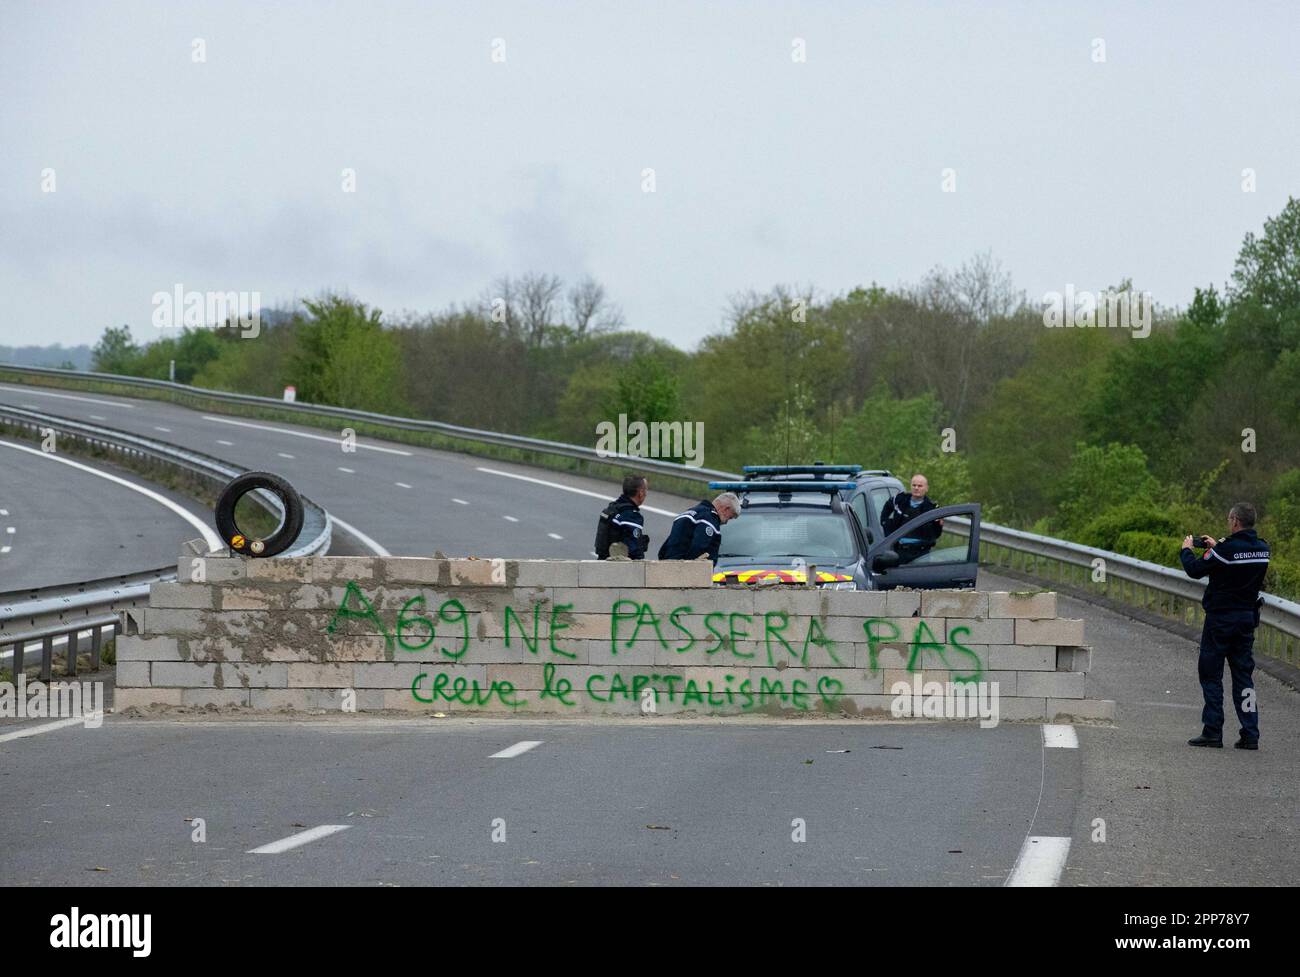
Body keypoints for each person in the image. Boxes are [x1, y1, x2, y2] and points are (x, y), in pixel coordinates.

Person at [1180, 503, 1270, 750]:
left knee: (1211, 674)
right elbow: (1234, 562)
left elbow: (1195, 570)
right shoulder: (1263, 548)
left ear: (1234, 521)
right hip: (1246, 621)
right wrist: (1217, 547)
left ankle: (1212, 731)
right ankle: (1250, 733)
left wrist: (1187, 550)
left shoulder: (1226, 550)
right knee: (1243, 677)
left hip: (1220, 621)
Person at [658, 492, 741, 563]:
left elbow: (666, 546)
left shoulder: (690, 512)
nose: (726, 522)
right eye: (729, 517)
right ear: (726, 509)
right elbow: (699, 546)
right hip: (682, 570)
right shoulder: (710, 519)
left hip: (668, 564)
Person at [881, 474, 943, 563]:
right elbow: (885, 511)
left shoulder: (932, 508)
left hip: (921, 553)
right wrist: (887, 529)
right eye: (914, 485)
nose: (916, 488)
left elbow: (937, 533)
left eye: (920, 486)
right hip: (899, 551)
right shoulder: (900, 500)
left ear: (926, 488)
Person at [594, 474, 649, 560]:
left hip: (602, 561)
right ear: (640, 493)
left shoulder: (612, 509)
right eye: (646, 490)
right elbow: (635, 549)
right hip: (619, 567)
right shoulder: (631, 516)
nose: (646, 493)